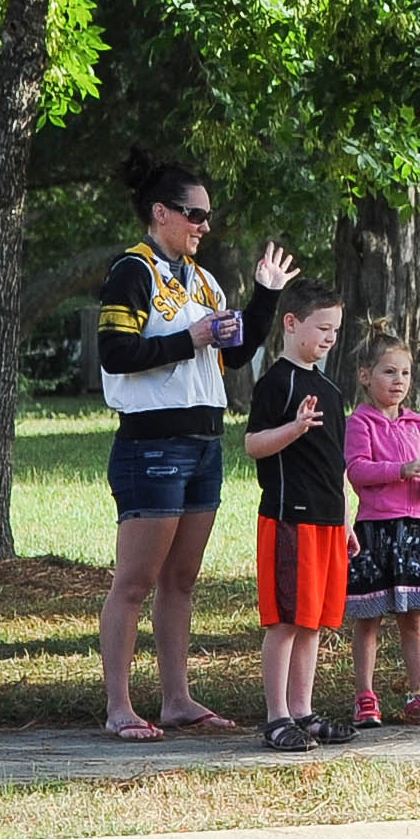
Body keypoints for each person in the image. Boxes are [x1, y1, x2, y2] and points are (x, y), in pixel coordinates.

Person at [94, 153, 292, 742]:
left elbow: (232, 356)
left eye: (207, 216)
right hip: (151, 443)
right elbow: (116, 354)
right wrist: (191, 337)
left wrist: (262, 298)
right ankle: (120, 707)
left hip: (205, 440)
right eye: (194, 214)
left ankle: (177, 699)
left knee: (182, 580)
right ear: (161, 213)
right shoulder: (132, 271)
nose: (205, 225)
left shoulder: (203, 280)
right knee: (135, 580)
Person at [243, 277, 353, 752]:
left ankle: (303, 711)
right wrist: (293, 428)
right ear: (291, 323)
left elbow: (337, 461)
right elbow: (253, 445)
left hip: (328, 520)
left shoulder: (328, 387)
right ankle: (276, 717)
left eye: (335, 329)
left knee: (312, 621)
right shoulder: (275, 382)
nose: (329, 337)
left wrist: (346, 520)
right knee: (285, 620)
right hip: (291, 517)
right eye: (322, 327)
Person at [343, 338, 420, 726]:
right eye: (389, 372)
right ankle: (365, 695)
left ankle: (419, 692)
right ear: (365, 376)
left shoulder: (418, 422)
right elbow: (357, 470)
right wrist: (400, 469)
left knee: (414, 619)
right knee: (368, 616)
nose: (398, 381)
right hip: (376, 530)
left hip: (417, 529)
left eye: (405, 373)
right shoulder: (359, 422)